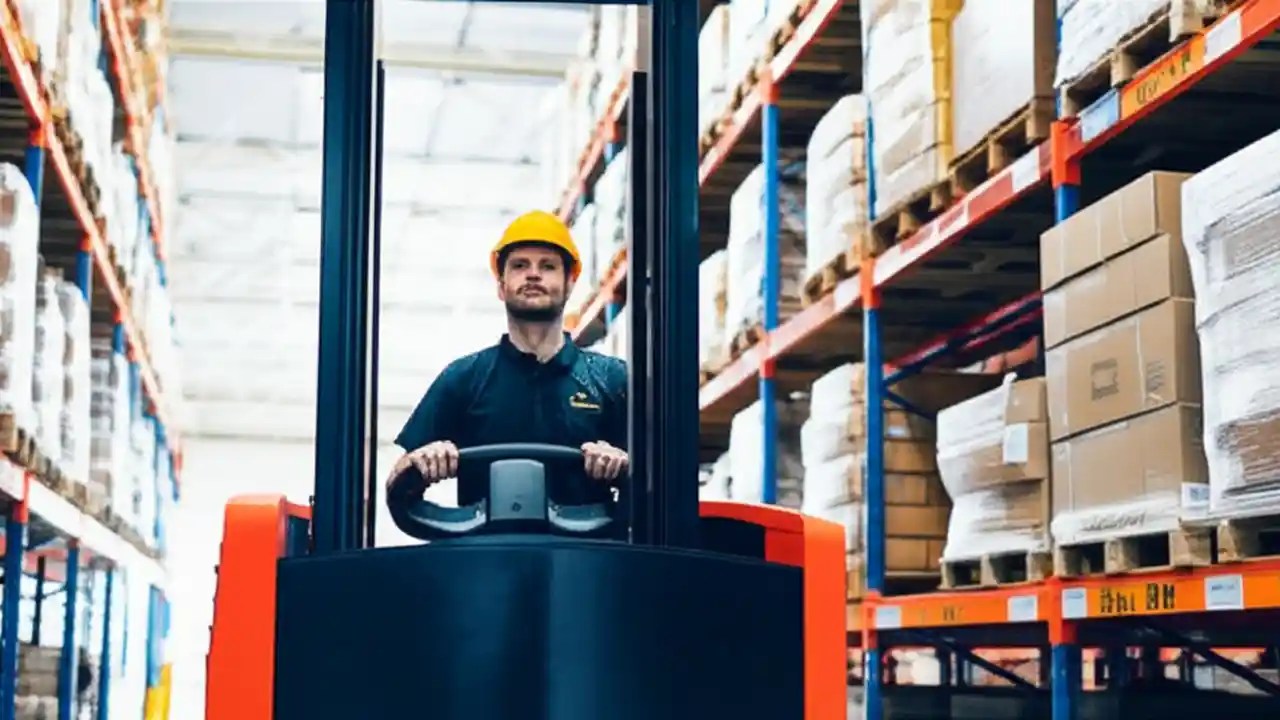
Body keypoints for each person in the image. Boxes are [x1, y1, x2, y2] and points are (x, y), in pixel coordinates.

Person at [387, 210, 629, 509]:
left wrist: (622, 463)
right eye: (519, 265)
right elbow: (397, 477)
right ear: (501, 286)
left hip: (584, 552)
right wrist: (422, 462)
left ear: (569, 284)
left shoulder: (612, 379)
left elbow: (656, 482)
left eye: (548, 266)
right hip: (487, 551)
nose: (533, 274)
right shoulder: (464, 377)